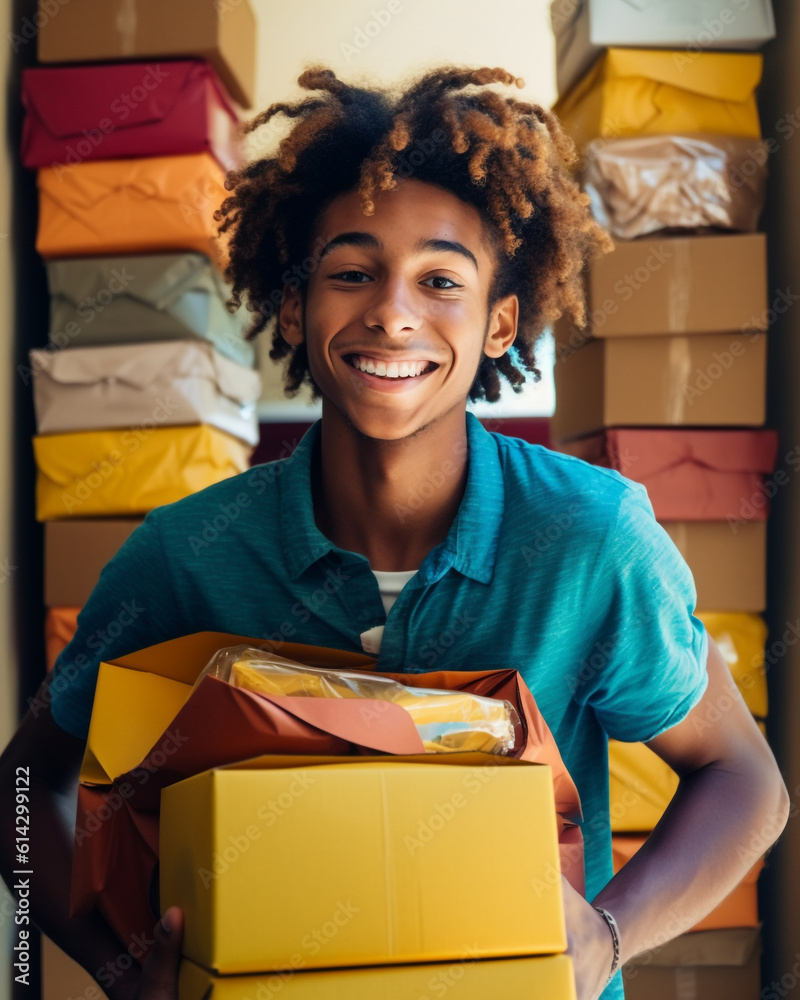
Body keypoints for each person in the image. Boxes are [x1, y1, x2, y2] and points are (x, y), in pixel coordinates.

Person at [0, 66, 788, 1000]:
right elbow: (20, 789)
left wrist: (607, 938)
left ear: (501, 323)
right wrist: (117, 970)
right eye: (351, 271)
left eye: (441, 279)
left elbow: (747, 781)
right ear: (294, 307)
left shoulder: (589, 537)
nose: (393, 310)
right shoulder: (185, 554)